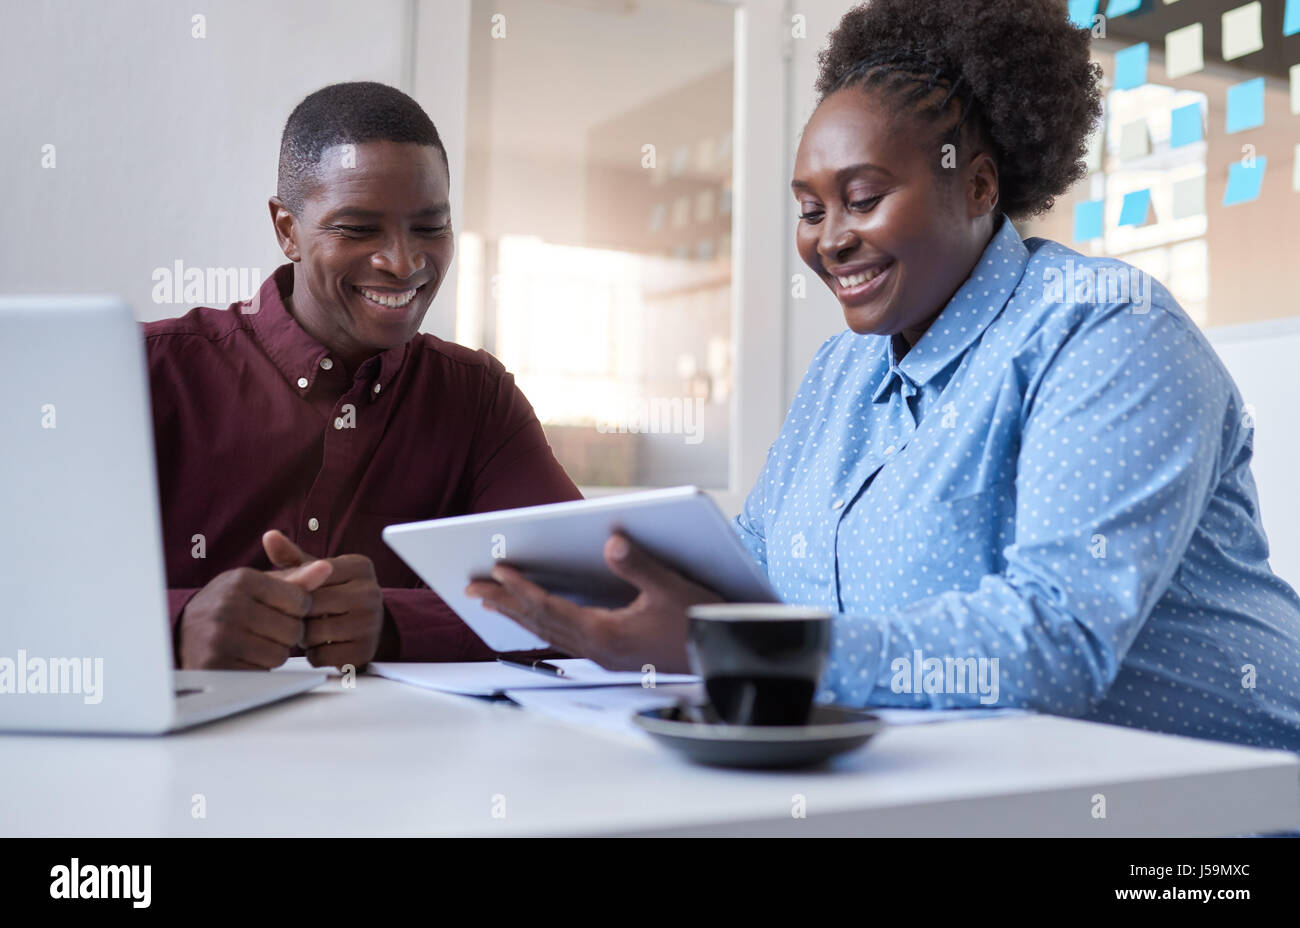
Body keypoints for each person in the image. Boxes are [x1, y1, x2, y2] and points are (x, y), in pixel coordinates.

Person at [467, 0, 1300, 752]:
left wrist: (729, 644)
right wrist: (612, 592)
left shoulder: (1107, 328)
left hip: (1213, 810)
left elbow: (1056, 642)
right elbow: (753, 570)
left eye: (862, 198)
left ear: (977, 186)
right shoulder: (843, 368)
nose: (829, 240)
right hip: (954, 787)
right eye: (810, 209)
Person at [148, 81, 580, 671]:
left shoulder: (476, 397)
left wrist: (393, 623)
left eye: (430, 228)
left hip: (402, 758)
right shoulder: (147, 373)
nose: (402, 262)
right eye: (357, 229)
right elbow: (27, 588)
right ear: (286, 230)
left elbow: (578, 602)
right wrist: (176, 622)